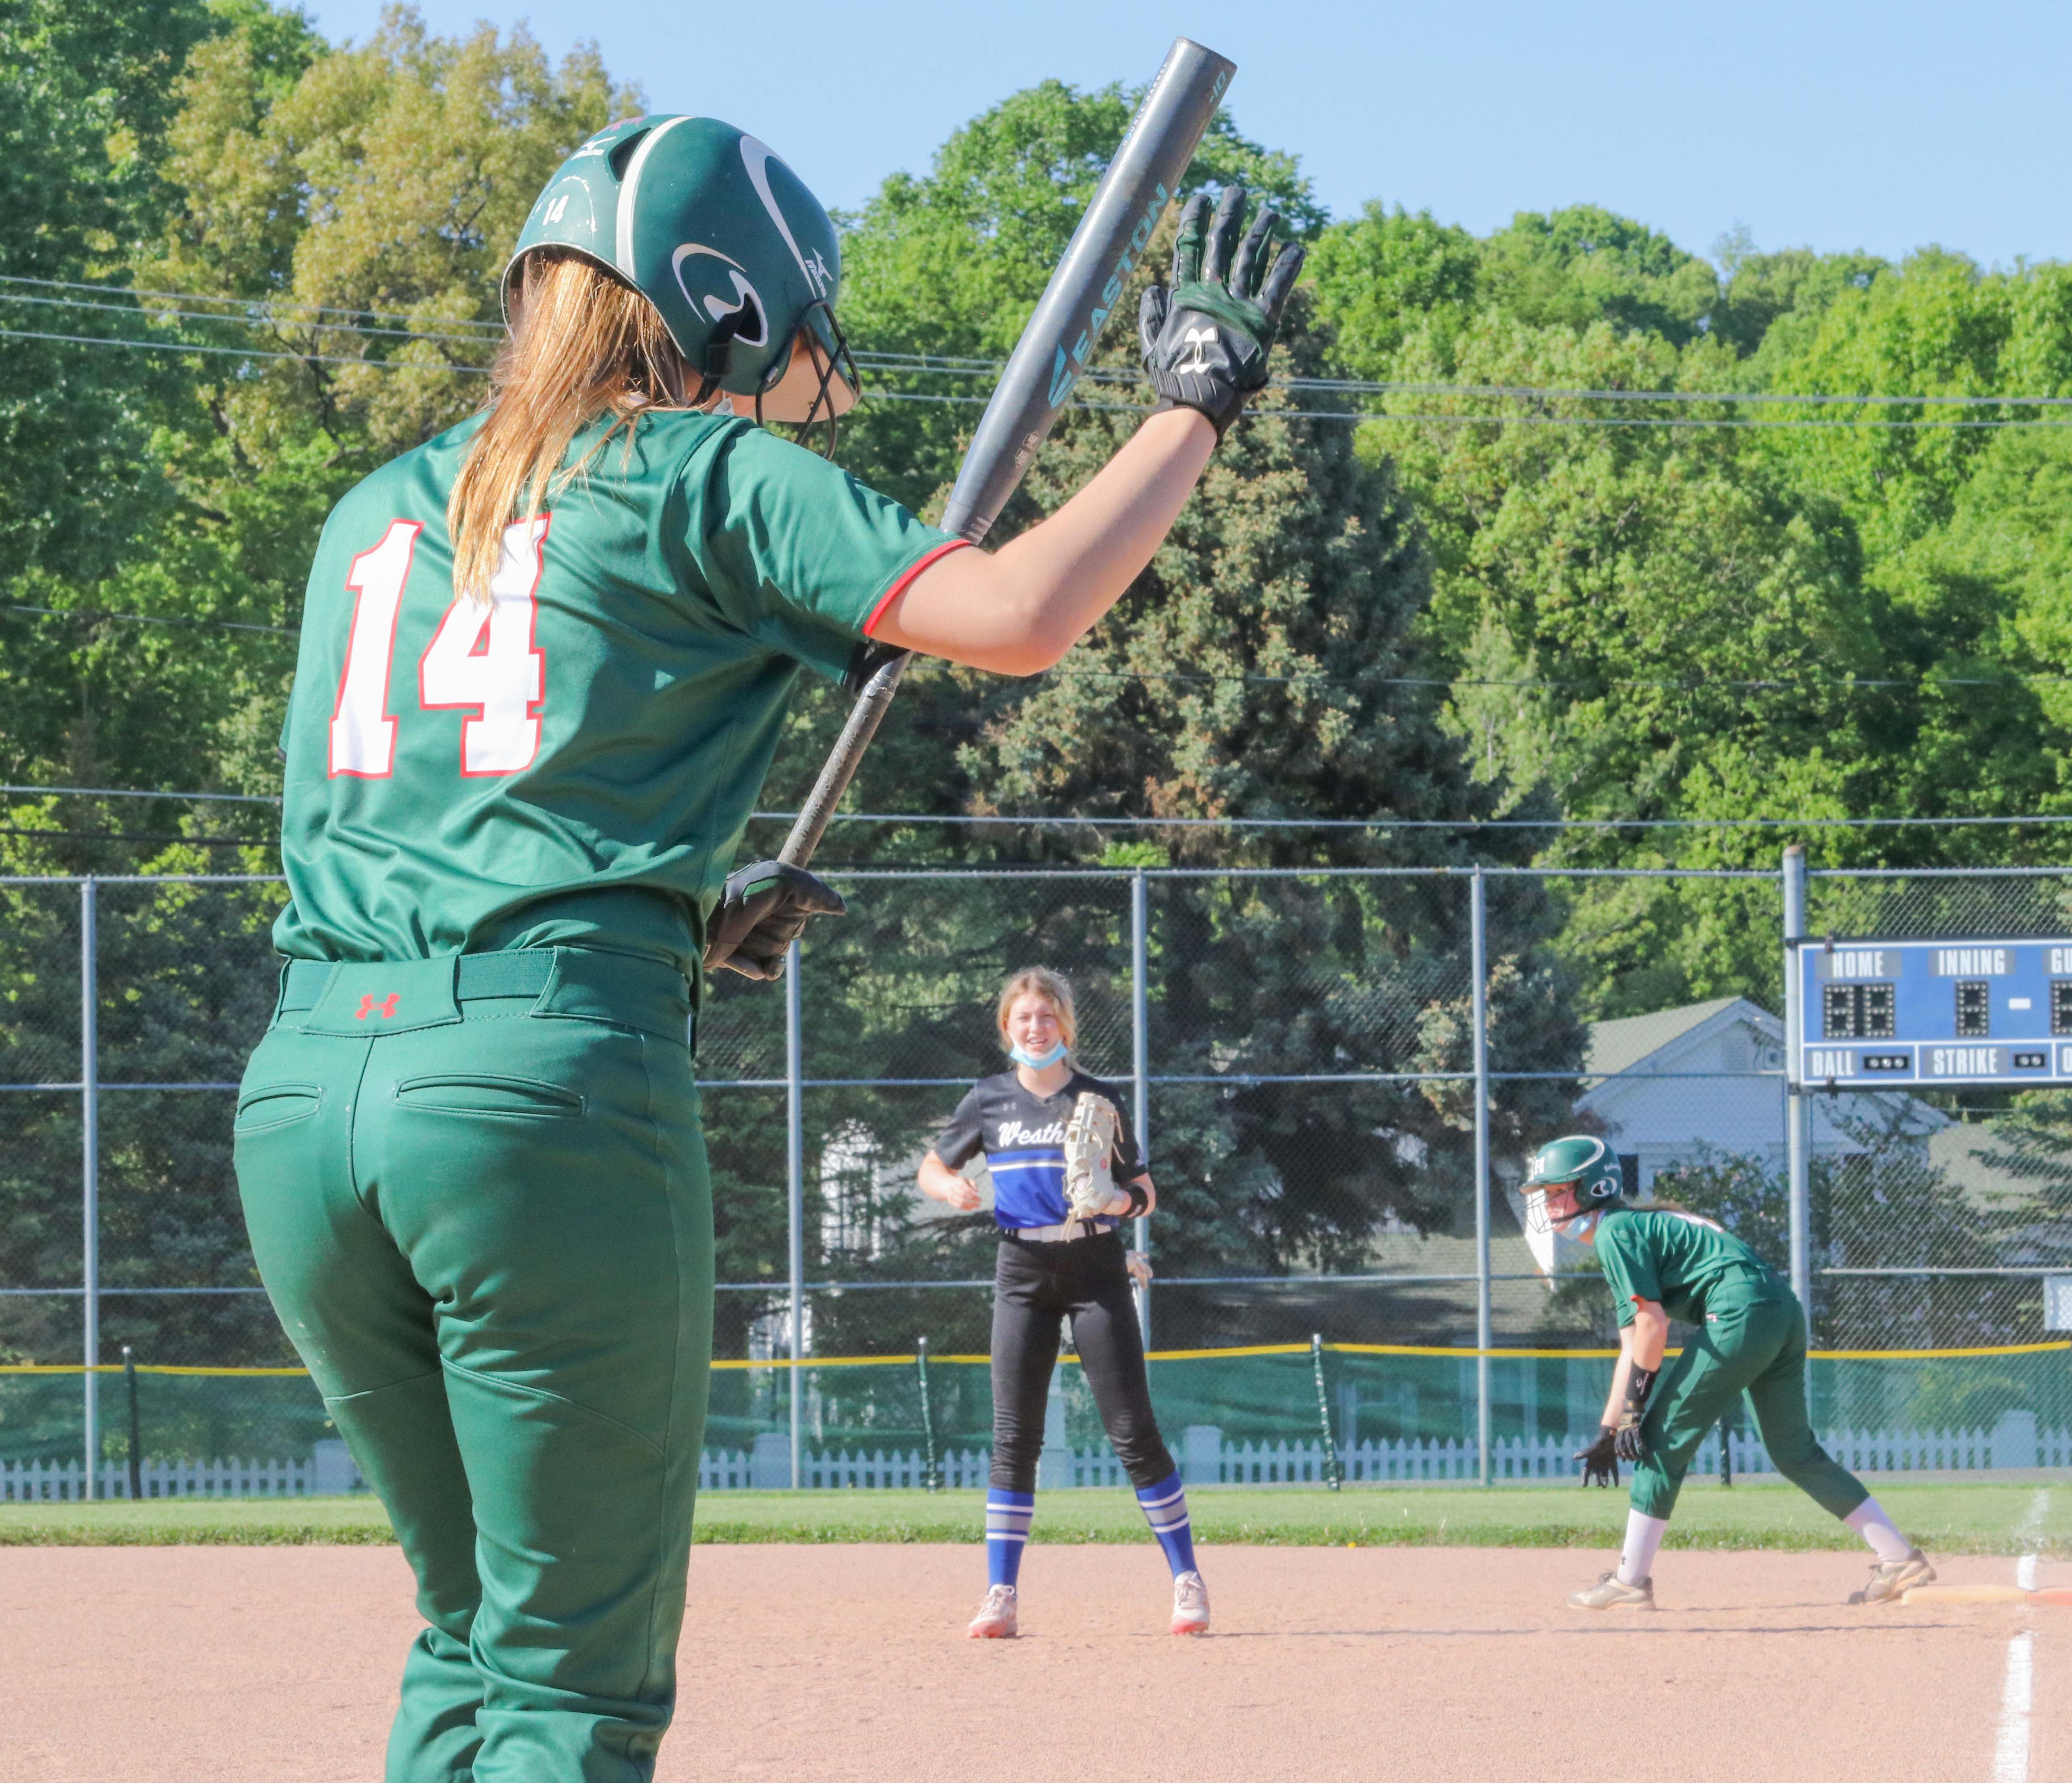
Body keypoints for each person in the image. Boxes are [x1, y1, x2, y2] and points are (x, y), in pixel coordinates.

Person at [231, 110, 1298, 1781]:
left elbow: (426, 814)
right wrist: (1191, 402)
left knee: (473, 1636)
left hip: (302, 1100)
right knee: (572, 1681)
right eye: (800, 341)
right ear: (722, 303)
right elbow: (1019, 614)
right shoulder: (698, 467)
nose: (816, 383)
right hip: (534, 1093)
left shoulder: (376, 507)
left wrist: (681, 899)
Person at [1522, 1136, 1936, 1610]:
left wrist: (1638, 1415)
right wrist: (1608, 1428)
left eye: (1558, 1191)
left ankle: (1629, 1583)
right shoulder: (1633, 1227)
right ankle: (1899, 1558)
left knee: (1660, 1442)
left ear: (1595, 1188)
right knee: (1793, 1452)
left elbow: (1654, 1327)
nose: (1549, 1203)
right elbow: (1633, 1345)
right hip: (1778, 1310)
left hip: (1740, 1312)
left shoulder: (1617, 1231)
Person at [917, 967, 1208, 1640]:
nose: (1035, 1028)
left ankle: (1187, 1579)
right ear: (1006, 1027)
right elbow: (931, 1166)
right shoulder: (988, 1100)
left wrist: (1117, 1201)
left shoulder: (1098, 1098)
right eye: (1024, 1018)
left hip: (1094, 1265)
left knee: (1133, 1431)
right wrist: (948, 1189)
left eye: (1047, 1017)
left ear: (1065, 1026)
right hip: (1021, 1269)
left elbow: (1144, 1189)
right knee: (1014, 1438)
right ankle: (1000, 1594)